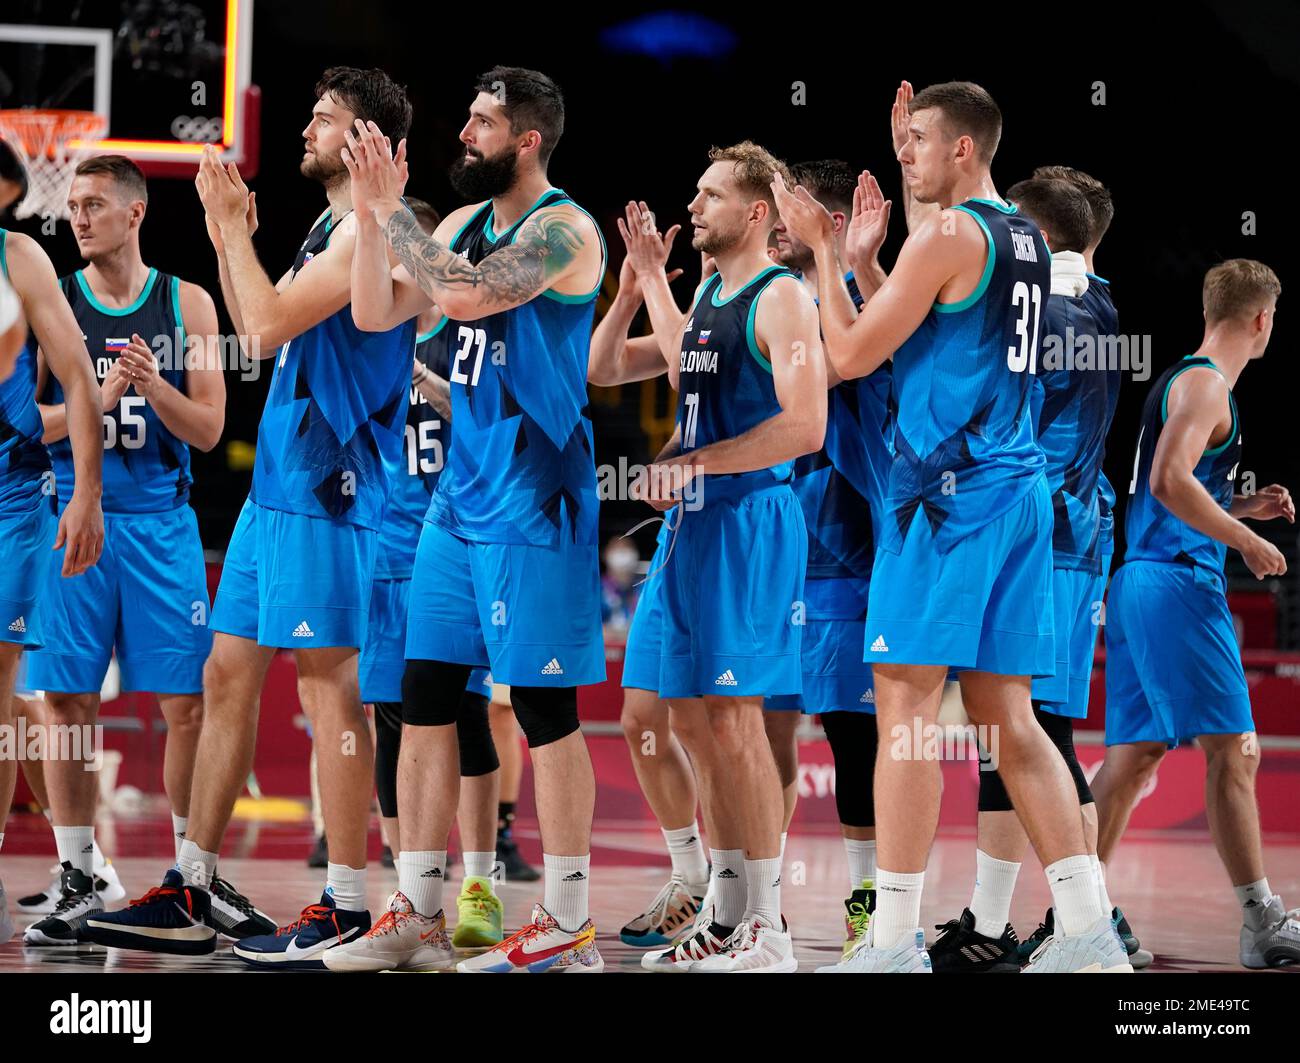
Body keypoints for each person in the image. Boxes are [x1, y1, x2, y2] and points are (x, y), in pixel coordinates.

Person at [775, 80, 1130, 973]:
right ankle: (1088, 927)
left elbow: (852, 354)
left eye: (921, 143)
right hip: (1017, 491)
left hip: (946, 499)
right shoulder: (1020, 233)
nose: (908, 158)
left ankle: (891, 941)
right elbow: (927, 334)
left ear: (965, 148)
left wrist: (822, 252)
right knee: (1010, 715)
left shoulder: (944, 233)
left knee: (901, 705)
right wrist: (864, 263)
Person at [83, 67, 417, 965]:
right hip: (279, 488)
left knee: (328, 687)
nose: (303, 128)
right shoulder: (323, 227)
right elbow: (252, 320)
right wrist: (233, 243)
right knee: (228, 674)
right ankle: (194, 882)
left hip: (328, 486)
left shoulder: (374, 231)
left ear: (362, 140)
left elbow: (260, 324)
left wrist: (226, 229)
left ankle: (348, 899)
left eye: (321, 118)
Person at [338, 66, 608, 973]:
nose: (465, 131)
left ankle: (569, 918)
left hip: (538, 500)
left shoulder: (567, 229)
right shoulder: (455, 224)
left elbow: (462, 297)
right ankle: (417, 905)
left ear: (527, 140)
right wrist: (378, 217)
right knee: (422, 700)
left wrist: (393, 212)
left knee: (542, 707)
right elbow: (381, 312)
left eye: (483, 121)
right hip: (457, 501)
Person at [621, 141, 827, 973]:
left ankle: (769, 930)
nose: (693, 205)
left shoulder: (784, 300)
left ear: (755, 213)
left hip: (749, 521)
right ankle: (729, 903)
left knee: (737, 722)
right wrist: (647, 280)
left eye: (708, 195)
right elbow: (683, 368)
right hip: (694, 525)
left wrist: (698, 465)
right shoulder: (709, 289)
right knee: (679, 716)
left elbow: (805, 426)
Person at [22, 155, 222, 946]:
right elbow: (21, 421)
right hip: (71, 516)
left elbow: (208, 428)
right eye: (71, 204)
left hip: (159, 524)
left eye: (94, 204)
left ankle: (189, 876)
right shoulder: (54, 300)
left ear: (135, 214)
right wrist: (89, 402)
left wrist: (151, 387)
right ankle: (80, 869)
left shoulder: (189, 303)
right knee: (63, 700)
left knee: (188, 704)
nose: (77, 216)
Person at [925, 176, 1122, 971]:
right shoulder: (1096, 299)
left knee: (1032, 733)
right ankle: (1002, 917)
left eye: (1013, 228)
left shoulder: (1053, 312)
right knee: (1023, 732)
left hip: (1045, 538)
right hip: (1072, 535)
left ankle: (1092, 923)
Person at [1093, 259, 1299, 968]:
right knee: (1236, 752)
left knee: (1132, 758)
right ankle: (1261, 920)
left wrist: (1243, 504)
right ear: (1262, 320)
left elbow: (1172, 487)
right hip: (1179, 584)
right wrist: (1247, 539)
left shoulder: (1181, 378)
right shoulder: (1210, 384)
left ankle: (1080, 913)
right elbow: (1168, 479)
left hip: (1138, 579)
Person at [0, 143, 106, 943]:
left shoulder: (19, 255)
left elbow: (75, 374)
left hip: (11, 496)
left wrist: (87, 495)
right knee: (16, 701)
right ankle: (86, 857)